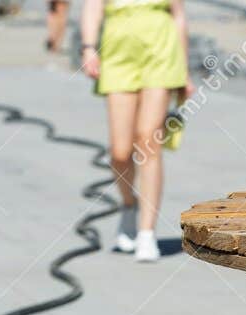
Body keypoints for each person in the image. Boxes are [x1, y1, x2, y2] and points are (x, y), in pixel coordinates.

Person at [80, 0, 193, 262]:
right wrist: (88, 47)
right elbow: (93, 6)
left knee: (148, 141)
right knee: (120, 152)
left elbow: (178, 15)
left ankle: (146, 232)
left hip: (161, 50)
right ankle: (129, 205)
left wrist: (184, 70)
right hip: (118, 50)